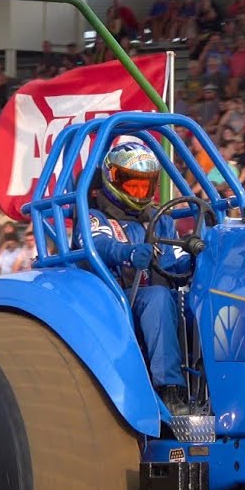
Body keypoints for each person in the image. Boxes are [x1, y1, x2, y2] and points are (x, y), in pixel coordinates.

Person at [84, 140, 194, 415]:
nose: (139, 191)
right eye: (133, 185)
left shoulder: (159, 219)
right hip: (117, 300)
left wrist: (195, 259)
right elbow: (100, 245)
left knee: (200, 297)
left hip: (158, 292)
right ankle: (169, 389)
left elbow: (176, 262)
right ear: (113, 179)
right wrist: (128, 253)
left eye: (145, 185)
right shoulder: (97, 218)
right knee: (158, 298)